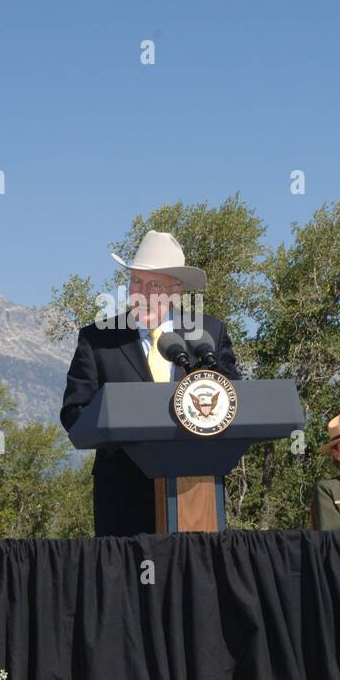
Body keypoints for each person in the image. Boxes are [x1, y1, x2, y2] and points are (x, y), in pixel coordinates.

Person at [60, 230, 238, 537]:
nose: (142, 292)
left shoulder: (207, 333)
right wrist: (122, 425)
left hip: (196, 489)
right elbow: (74, 412)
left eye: (154, 284)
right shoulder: (99, 338)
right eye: (136, 282)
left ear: (176, 291)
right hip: (123, 494)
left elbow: (236, 400)